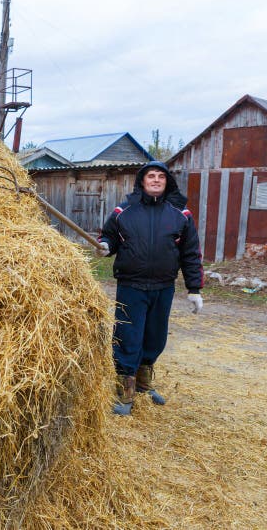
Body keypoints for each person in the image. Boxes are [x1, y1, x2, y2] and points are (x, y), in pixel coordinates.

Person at [96, 160, 204, 415]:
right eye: (151, 176)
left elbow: (191, 254)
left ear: (167, 182)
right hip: (131, 286)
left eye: (160, 177)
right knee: (127, 337)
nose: (156, 180)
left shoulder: (181, 215)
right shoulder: (124, 211)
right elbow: (108, 236)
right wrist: (105, 246)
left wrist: (195, 288)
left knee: (155, 337)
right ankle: (124, 390)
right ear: (142, 182)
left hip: (163, 287)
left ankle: (144, 383)